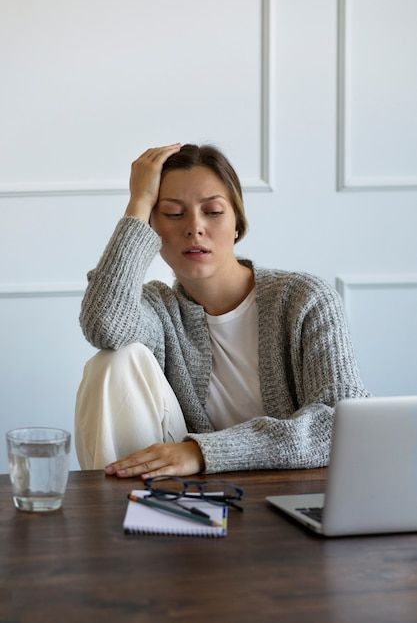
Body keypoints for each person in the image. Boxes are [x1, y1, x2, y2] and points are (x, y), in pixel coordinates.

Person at [75, 142, 369, 479]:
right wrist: (138, 202)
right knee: (112, 360)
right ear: (152, 230)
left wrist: (203, 451)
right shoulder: (159, 310)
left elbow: (343, 423)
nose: (194, 227)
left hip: (292, 489)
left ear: (238, 224)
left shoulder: (305, 300)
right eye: (173, 213)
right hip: (188, 493)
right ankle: (123, 513)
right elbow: (105, 326)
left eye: (213, 211)